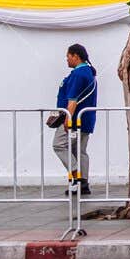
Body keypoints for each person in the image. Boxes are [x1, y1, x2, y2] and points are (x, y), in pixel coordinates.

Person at [52, 43, 98, 195]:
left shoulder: (78, 74)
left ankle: (75, 174)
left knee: (59, 145)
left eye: (68, 56)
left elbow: (72, 100)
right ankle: (83, 183)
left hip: (74, 119)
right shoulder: (89, 72)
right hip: (86, 119)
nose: (66, 59)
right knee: (80, 150)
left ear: (75, 56)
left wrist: (68, 119)